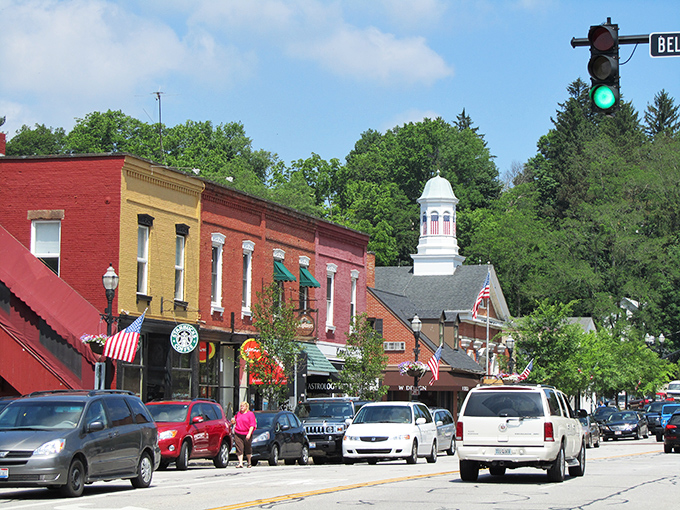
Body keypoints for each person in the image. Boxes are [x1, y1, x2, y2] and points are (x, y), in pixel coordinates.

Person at [231, 401, 256, 468]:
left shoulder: (250, 414)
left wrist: (249, 434)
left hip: (246, 433)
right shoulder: (238, 414)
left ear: (246, 407)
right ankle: (240, 463)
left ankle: (249, 462)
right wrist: (233, 421)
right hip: (238, 432)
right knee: (239, 448)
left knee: (248, 448)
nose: (241, 407)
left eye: (243, 406)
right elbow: (235, 421)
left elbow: (252, 425)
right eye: (241, 406)